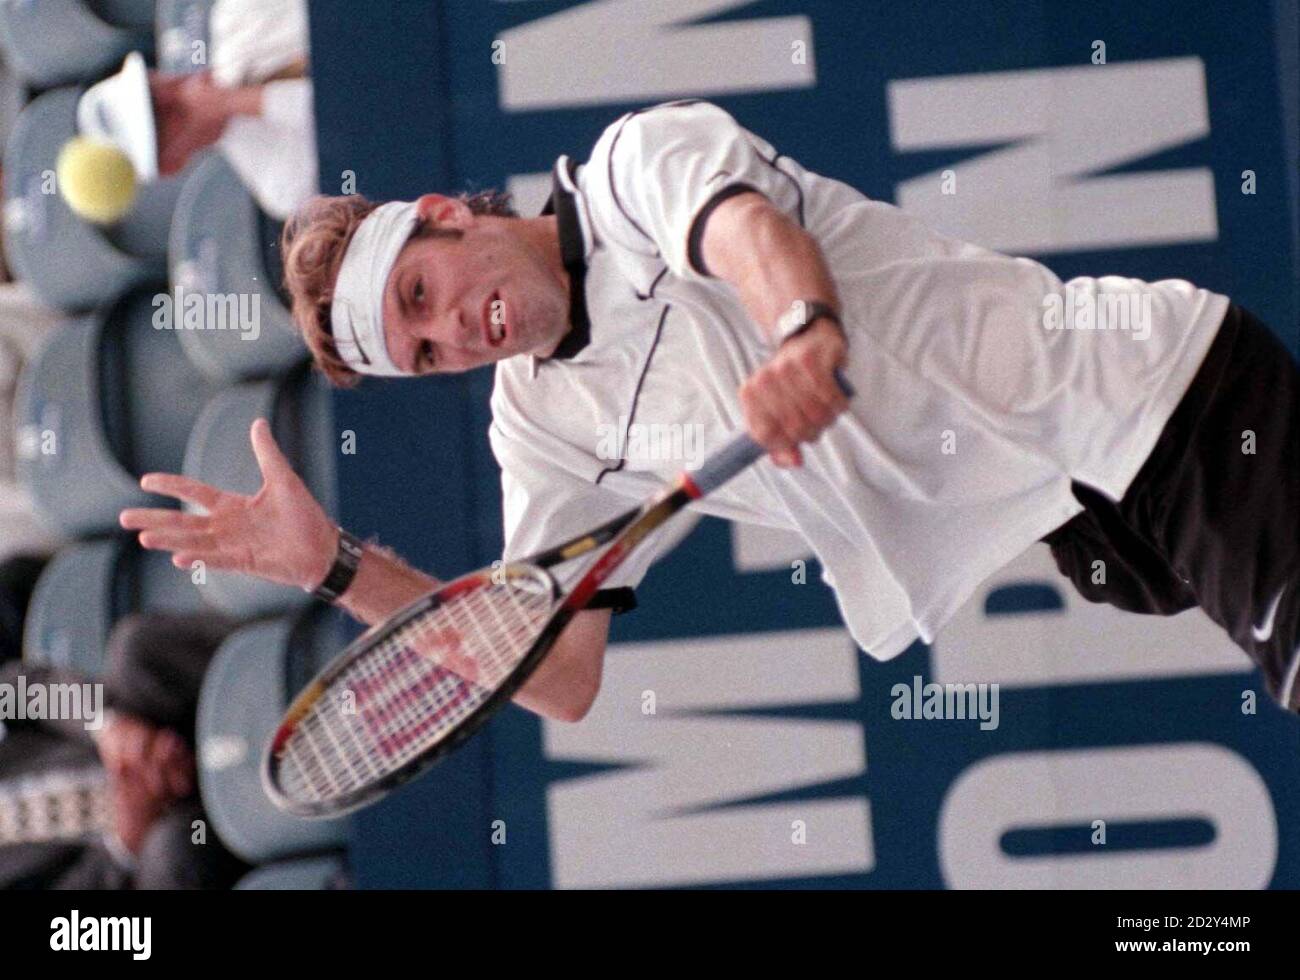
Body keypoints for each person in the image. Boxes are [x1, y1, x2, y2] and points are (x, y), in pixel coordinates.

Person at [120, 99, 1300, 720]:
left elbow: (746, 234)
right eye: (421, 353)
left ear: (444, 212)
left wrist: (803, 333)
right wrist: (337, 567)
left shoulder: (637, 167)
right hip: (1080, 519)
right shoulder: (539, 422)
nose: (452, 333)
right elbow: (557, 672)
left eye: (426, 293)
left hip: (1154, 398)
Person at [0, 613, 247, 889]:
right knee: (170, 853)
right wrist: (124, 847)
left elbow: (19, 690)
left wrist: (107, 727)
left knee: (135, 649)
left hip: (134, 746)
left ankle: (275, 680)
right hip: (148, 856)